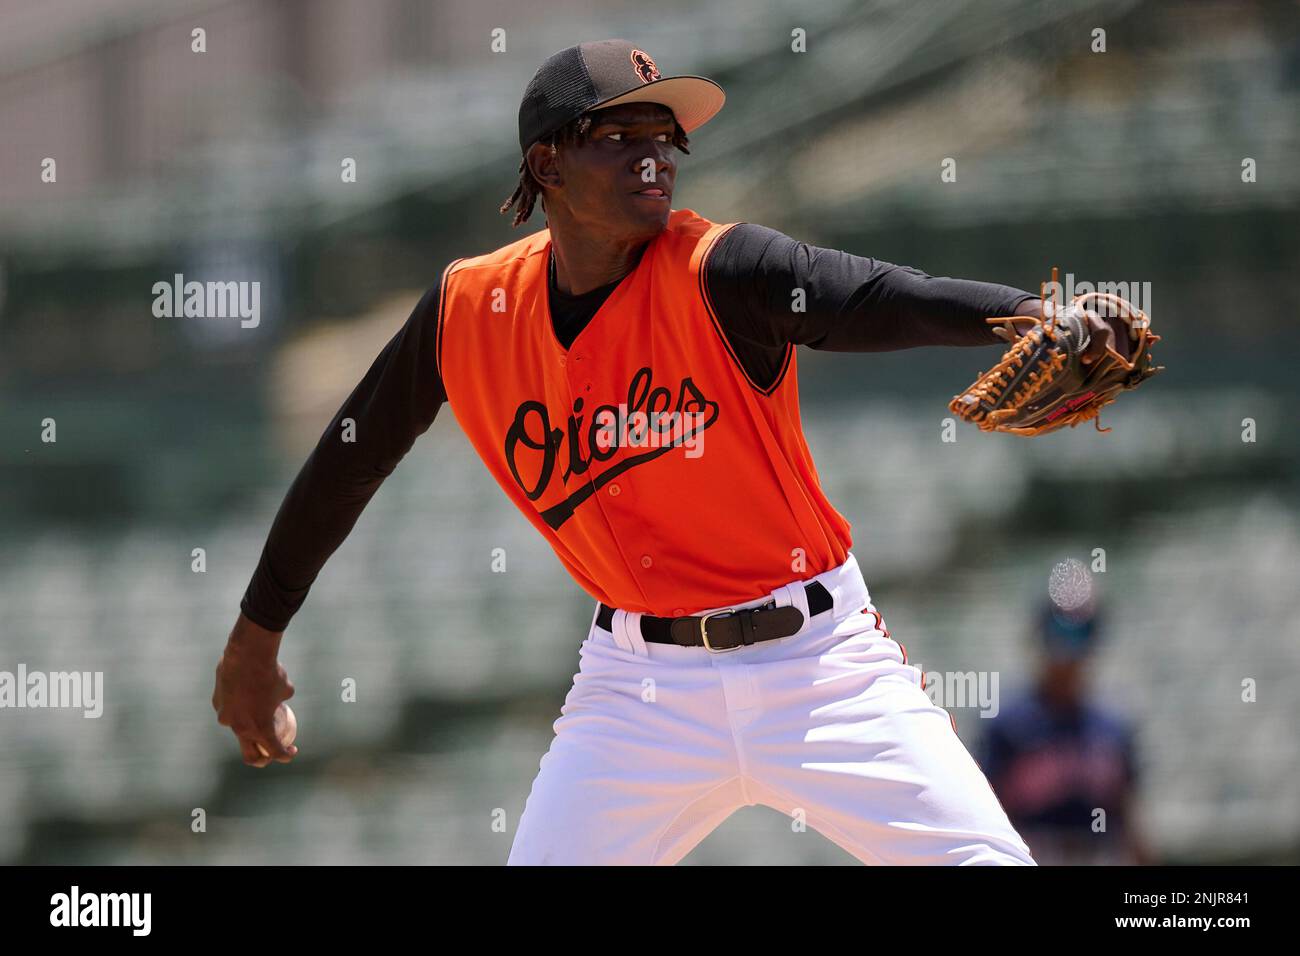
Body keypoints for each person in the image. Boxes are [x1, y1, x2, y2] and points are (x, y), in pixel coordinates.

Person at [213, 39, 1125, 865]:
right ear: (547, 163)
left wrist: (1029, 313)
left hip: (819, 663)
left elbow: (871, 295)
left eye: (665, 135)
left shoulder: (719, 269)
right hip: (636, 690)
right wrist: (256, 638)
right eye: (619, 135)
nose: (654, 154)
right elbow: (349, 458)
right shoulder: (469, 311)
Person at [978, 601, 1149, 865]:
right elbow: (985, 815)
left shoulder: (1112, 728)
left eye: (1081, 634)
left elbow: (1128, 819)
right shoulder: (1007, 727)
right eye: (1059, 633)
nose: (1069, 652)